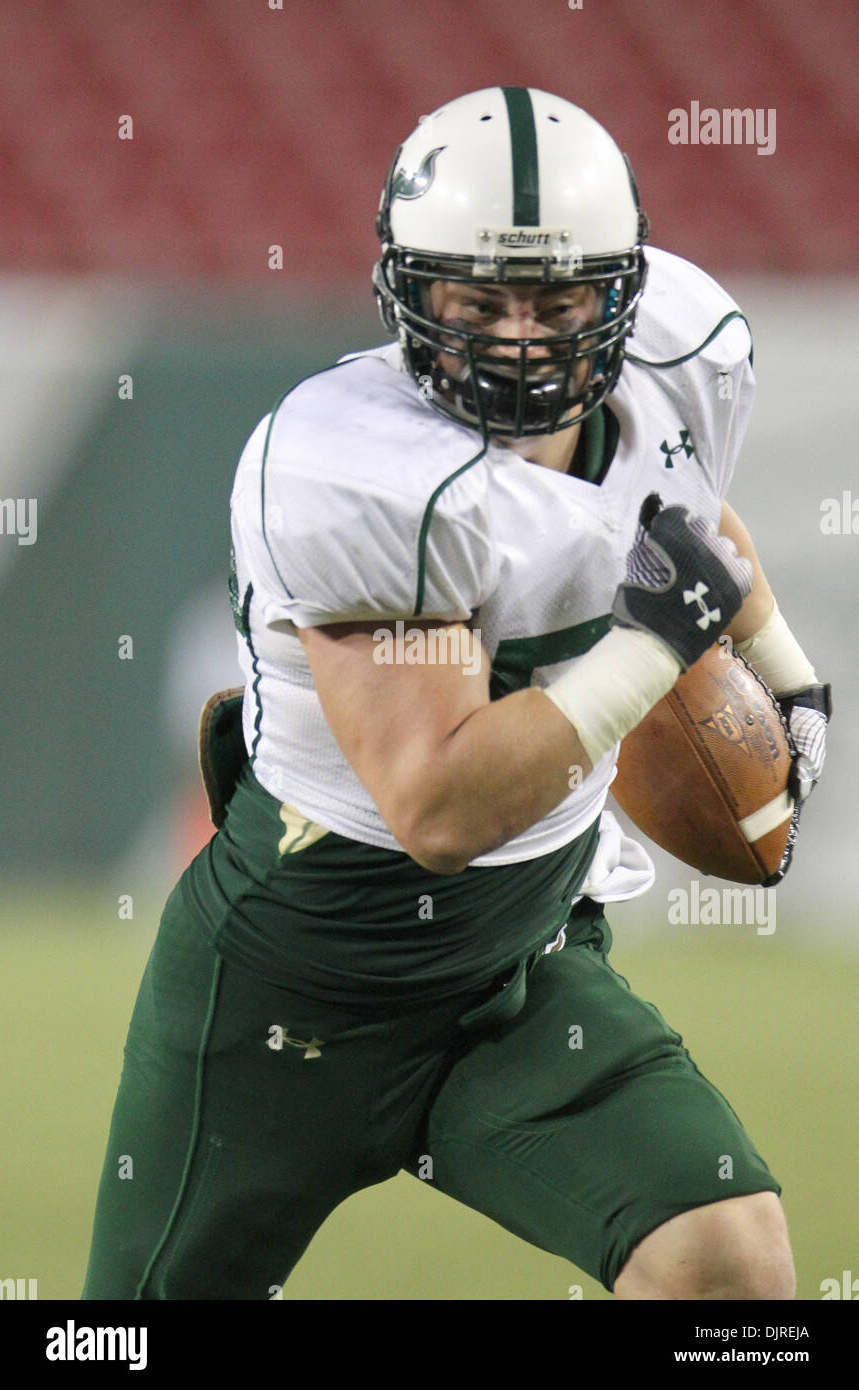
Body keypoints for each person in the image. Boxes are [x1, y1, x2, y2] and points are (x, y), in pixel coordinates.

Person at [83, 86, 831, 1301]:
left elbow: (679, 506)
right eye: (479, 300)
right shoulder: (353, 468)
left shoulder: (685, 358)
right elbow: (436, 808)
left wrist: (787, 668)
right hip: (300, 977)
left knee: (727, 1274)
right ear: (406, 292)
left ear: (621, 294)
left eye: (556, 300)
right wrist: (654, 648)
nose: (523, 338)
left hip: (518, 963)